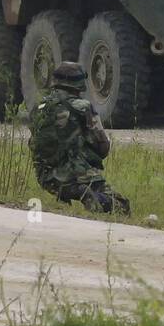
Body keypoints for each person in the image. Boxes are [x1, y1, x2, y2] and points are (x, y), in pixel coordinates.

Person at [28, 61, 131, 215]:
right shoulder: (82, 107)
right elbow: (103, 147)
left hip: (46, 178)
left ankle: (79, 192)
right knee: (122, 206)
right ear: (80, 83)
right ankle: (90, 195)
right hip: (77, 175)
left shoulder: (38, 107)